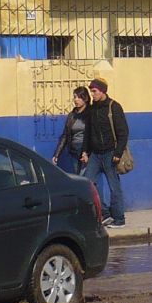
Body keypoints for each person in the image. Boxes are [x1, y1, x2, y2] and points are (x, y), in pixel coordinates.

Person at [81, 77, 129, 227]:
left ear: (102, 91)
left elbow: (123, 132)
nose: (92, 94)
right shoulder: (92, 109)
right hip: (95, 154)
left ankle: (119, 218)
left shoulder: (114, 107)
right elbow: (88, 132)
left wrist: (118, 153)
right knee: (87, 183)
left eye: (94, 91)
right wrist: (85, 151)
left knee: (114, 187)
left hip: (110, 153)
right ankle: (105, 213)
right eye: (91, 91)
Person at [53, 87, 90, 174]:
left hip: (87, 152)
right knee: (78, 176)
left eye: (79, 97)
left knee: (85, 176)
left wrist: (87, 152)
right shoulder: (72, 115)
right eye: (74, 97)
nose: (76, 100)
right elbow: (65, 135)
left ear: (85, 98)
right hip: (74, 152)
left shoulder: (91, 113)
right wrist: (57, 154)